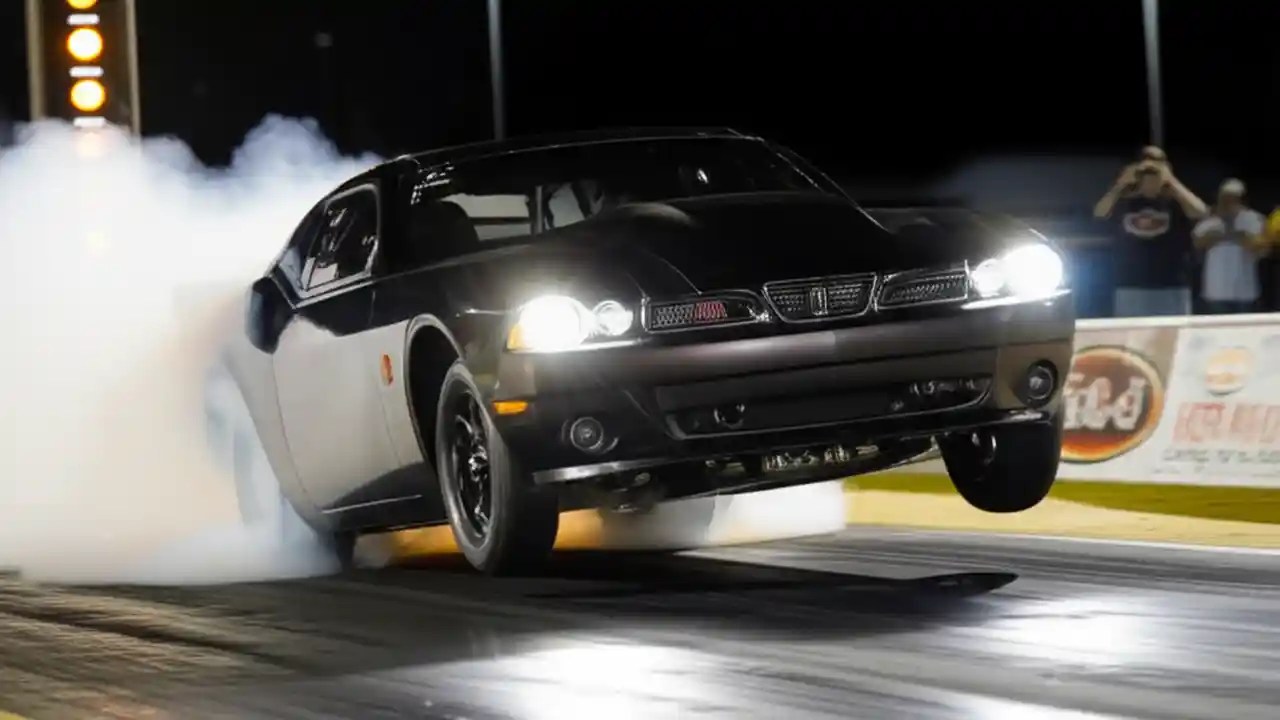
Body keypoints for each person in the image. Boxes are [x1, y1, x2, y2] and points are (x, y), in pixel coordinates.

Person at [1094, 146, 1208, 316]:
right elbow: (1099, 213)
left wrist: (1171, 181)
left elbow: (1201, 211)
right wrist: (1120, 184)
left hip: (1172, 286)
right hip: (1131, 286)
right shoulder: (1124, 200)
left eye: (1157, 163)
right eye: (1146, 162)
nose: (1151, 169)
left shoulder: (1175, 200)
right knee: (1131, 339)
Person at [1192, 179, 1269, 314]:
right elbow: (1198, 243)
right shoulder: (1209, 219)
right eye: (1224, 198)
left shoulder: (1253, 218)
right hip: (1215, 293)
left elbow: (1259, 247)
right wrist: (1232, 234)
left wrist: (1229, 231)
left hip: (1245, 293)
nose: (1228, 202)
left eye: (1233, 198)